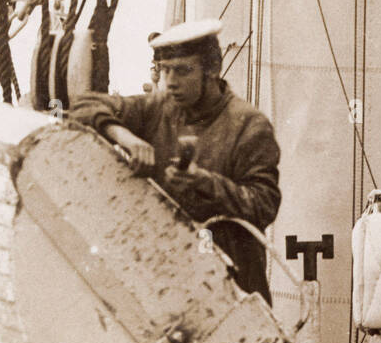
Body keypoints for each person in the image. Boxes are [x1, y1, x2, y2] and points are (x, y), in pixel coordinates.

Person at [69, 18, 281, 301]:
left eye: (183, 71)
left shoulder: (250, 126)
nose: (170, 82)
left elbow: (264, 205)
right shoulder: (158, 109)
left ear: (212, 70)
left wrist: (204, 183)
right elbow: (84, 106)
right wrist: (125, 137)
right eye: (165, 70)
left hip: (232, 291)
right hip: (166, 285)